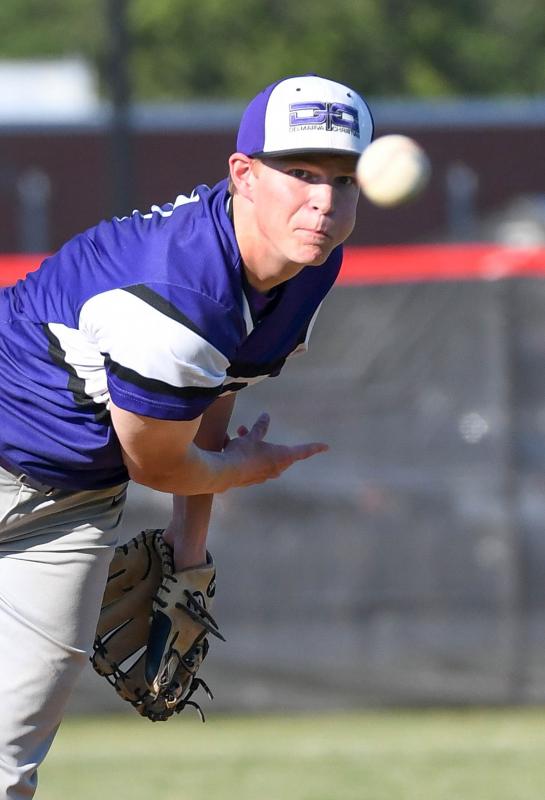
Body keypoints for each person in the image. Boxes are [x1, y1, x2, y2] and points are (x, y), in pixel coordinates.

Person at [0, 73, 374, 797]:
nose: (323, 200)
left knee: (8, 761)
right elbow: (160, 462)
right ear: (242, 174)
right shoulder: (179, 291)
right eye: (298, 172)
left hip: (70, 507)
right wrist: (242, 470)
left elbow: (211, 397)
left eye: (343, 177)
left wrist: (186, 557)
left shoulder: (302, 267)